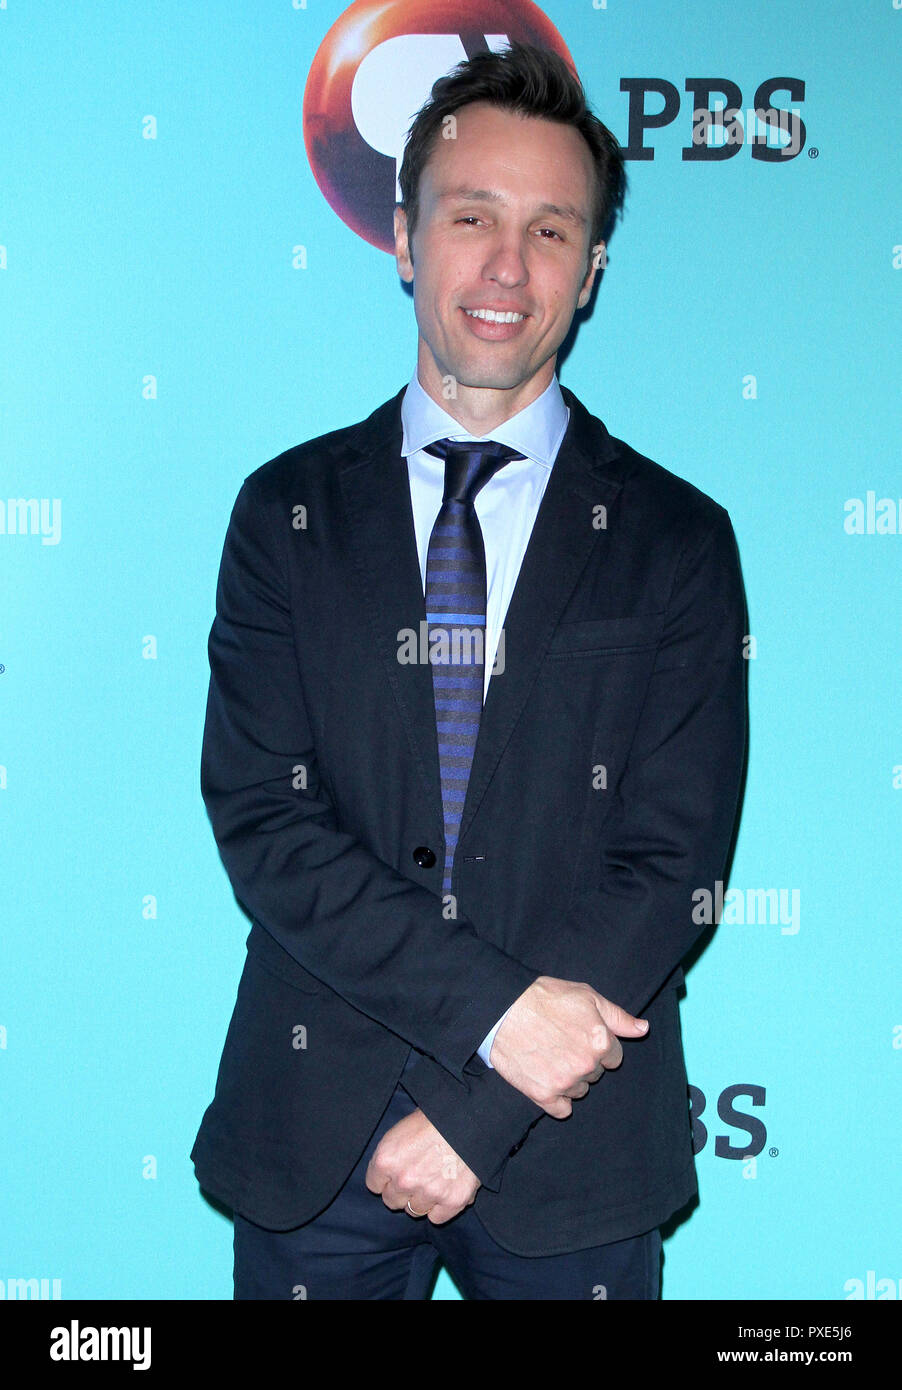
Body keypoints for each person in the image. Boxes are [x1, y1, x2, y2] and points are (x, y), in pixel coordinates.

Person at [190, 41, 747, 1301]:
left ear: (592, 268)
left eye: (550, 230)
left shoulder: (675, 539)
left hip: (572, 1146)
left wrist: (481, 1108)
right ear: (403, 238)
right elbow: (266, 824)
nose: (507, 266)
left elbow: (673, 867)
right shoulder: (285, 513)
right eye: (472, 217)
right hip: (313, 1134)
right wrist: (495, 1019)